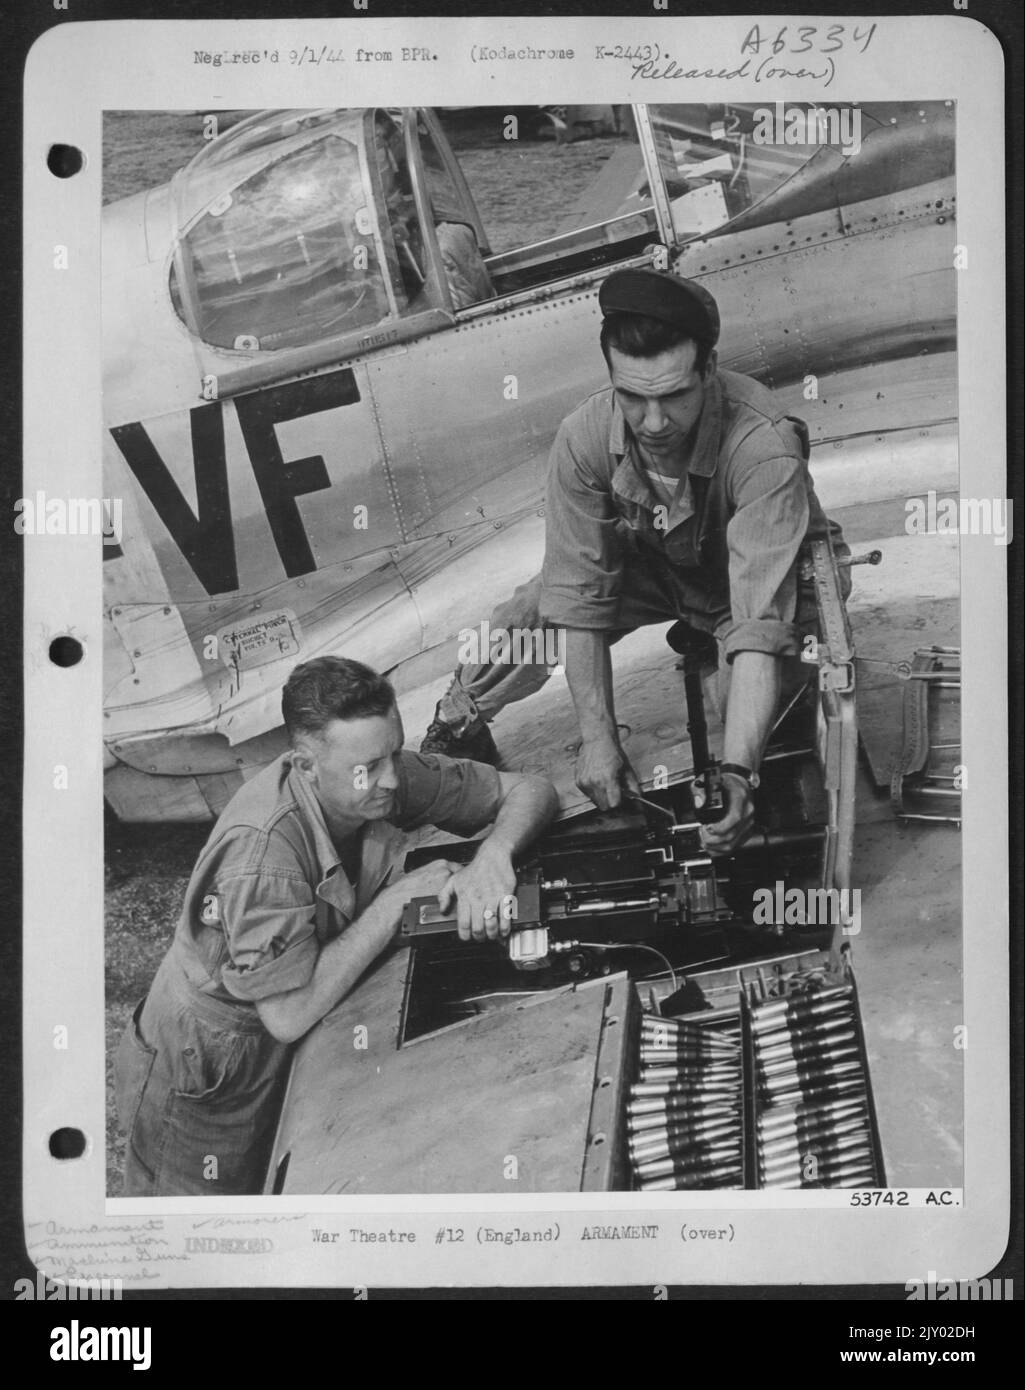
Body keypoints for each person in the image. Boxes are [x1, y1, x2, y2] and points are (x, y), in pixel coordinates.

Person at [421, 268, 850, 855]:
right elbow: (578, 596)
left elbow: (759, 624)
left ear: (708, 370)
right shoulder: (583, 436)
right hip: (658, 566)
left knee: (755, 714)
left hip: (756, 583)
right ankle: (459, 717)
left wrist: (739, 771)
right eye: (633, 397)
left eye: (674, 396)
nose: (653, 424)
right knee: (532, 609)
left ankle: (746, 710)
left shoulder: (763, 445)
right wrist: (598, 741)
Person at [114, 656, 559, 1196]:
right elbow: (287, 1014)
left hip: (292, 1011)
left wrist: (495, 856)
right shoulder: (263, 857)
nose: (392, 778)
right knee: (201, 1232)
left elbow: (531, 790)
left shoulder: (375, 776)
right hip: (207, 1067)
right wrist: (394, 904)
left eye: (393, 751)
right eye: (368, 766)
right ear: (305, 767)